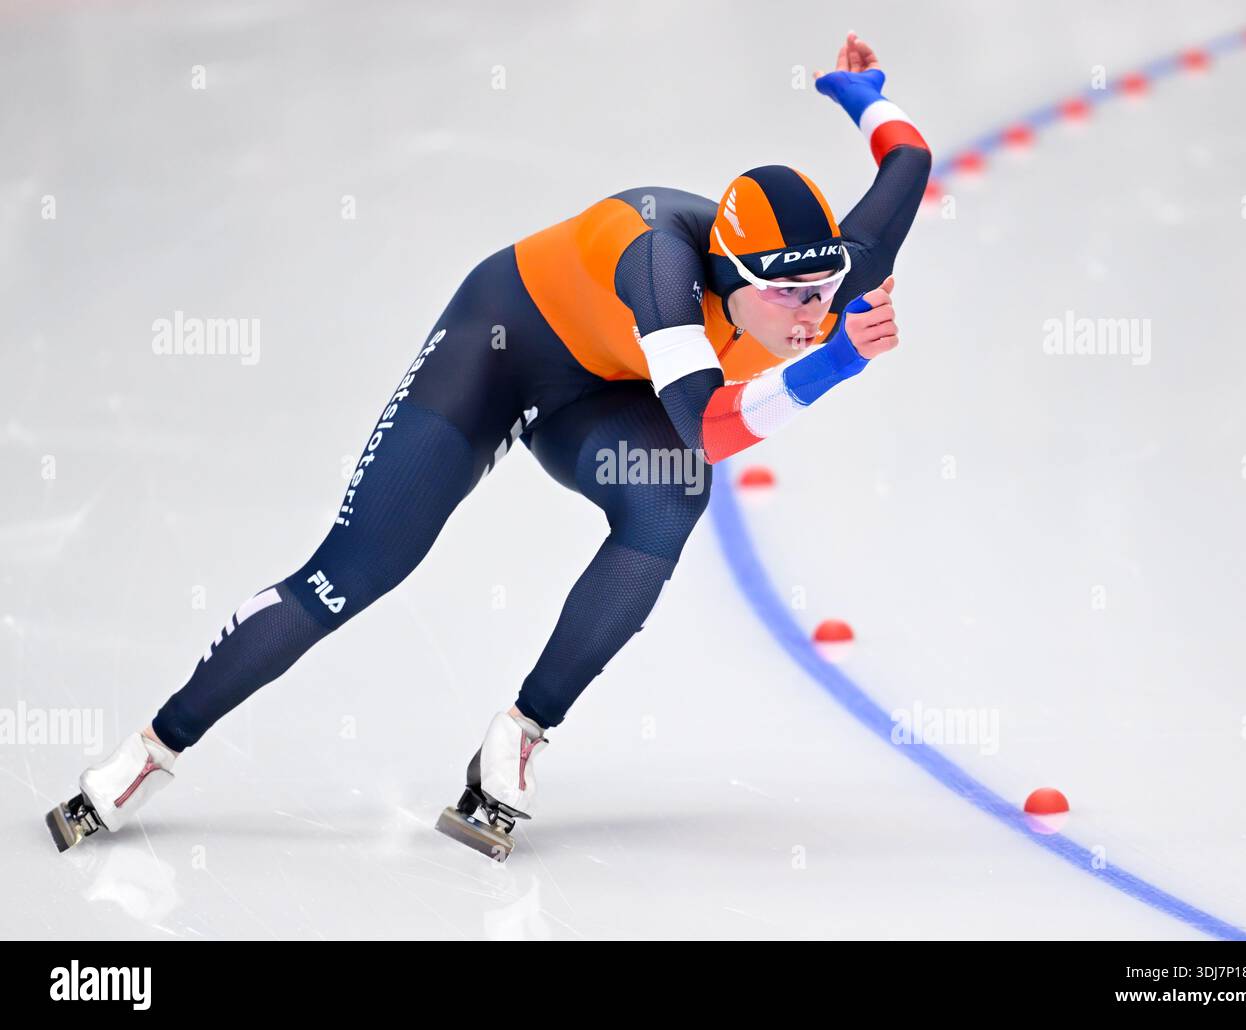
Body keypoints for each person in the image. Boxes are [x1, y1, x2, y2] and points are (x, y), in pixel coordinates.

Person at [46, 32, 932, 859]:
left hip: (606, 391)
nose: (813, 314)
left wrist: (860, 95)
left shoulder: (831, 270)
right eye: (788, 296)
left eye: (824, 289)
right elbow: (710, 422)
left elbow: (909, 159)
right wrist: (833, 368)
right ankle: (152, 748)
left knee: (671, 495)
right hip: (502, 349)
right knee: (354, 571)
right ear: (729, 275)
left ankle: (520, 732)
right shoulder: (661, 268)